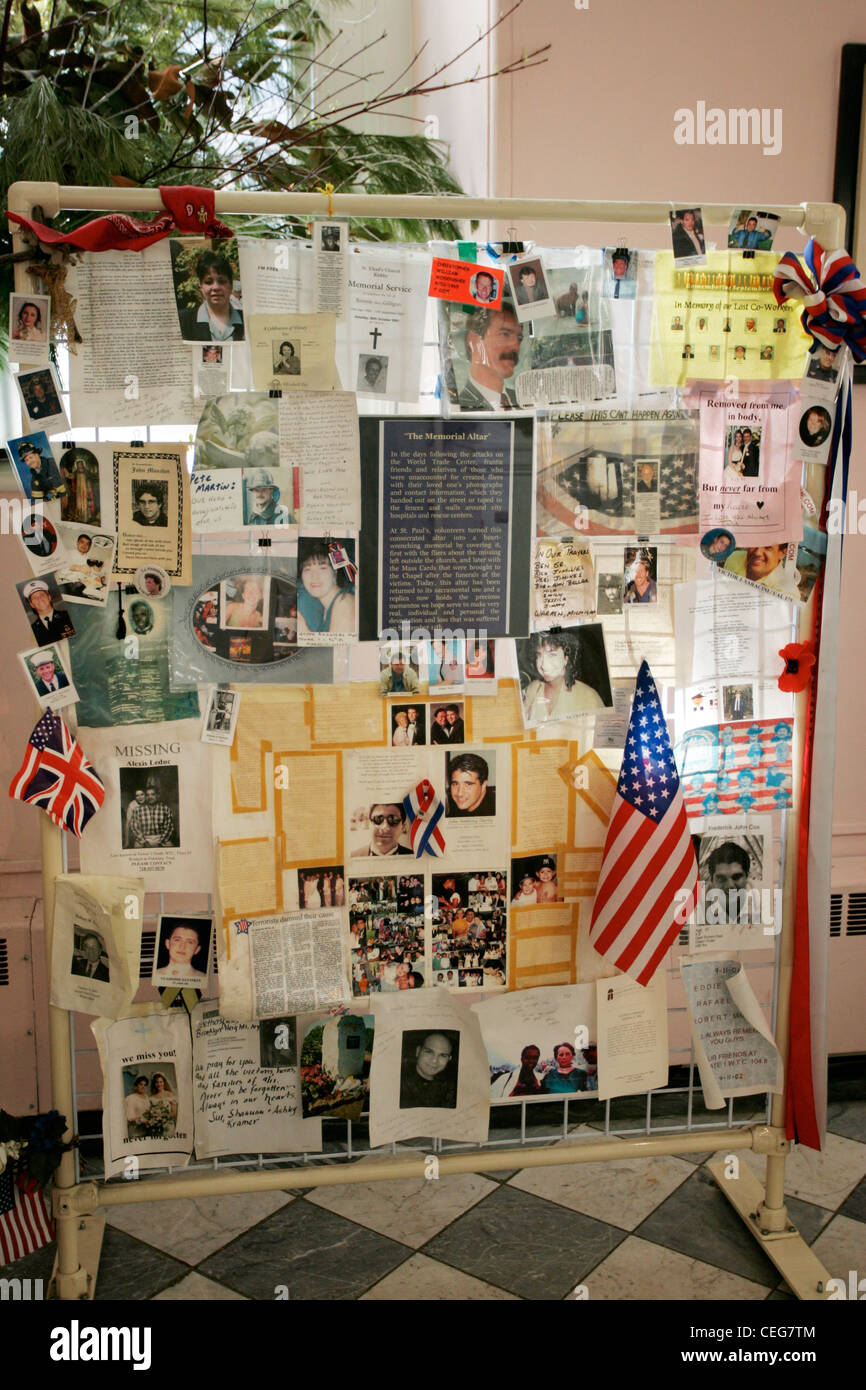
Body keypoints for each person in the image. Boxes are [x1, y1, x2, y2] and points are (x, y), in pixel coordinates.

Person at [522, 631, 604, 723]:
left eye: (552, 655)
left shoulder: (588, 697)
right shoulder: (534, 689)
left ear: (566, 658)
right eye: (539, 655)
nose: (543, 665)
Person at [459, 304, 523, 410]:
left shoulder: (524, 401)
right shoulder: (461, 408)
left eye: (519, 339)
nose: (516, 347)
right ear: (474, 341)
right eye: (505, 334)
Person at [178, 249, 244, 342]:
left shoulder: (246, 320)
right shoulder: (183, 321)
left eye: (222, 281)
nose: (216, 287)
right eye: (209, 282)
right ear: (201, 287)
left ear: (231, 286)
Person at [296, 539, 355, 635]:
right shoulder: (324, 607)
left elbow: (338, 649)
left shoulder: (344, 603)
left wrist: (304, 631)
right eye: (307, 569)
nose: (314, 576)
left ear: (335, 573)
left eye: (322, 568)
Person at [399, 1032, 458, 1108]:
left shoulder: (451, 1088)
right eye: (429, 1052)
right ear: (418, 1051)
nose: (434, 1060)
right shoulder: (399, 1083)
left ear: (449, 1059)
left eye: (443, 1055)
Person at [705, 841, 756, 923]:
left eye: (736, 877)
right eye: (721, 879)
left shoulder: (765, 906)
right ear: (711, 881)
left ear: (747, 877)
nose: (730, 885)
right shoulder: (696, 911)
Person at [724, 543, 800, 598]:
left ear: (782, 553)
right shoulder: (734, 558)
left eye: (768, 547)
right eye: (754, 542)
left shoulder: (788, 593)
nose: (757, 553)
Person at [447, 753, 496, 817]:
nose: (460, 793)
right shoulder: (449, 806)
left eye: (468, 784)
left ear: (484, 785)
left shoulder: (496, 811)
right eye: (455, 784)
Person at [127, 784, 175, 848]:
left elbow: (169, 827)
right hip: (144, 838)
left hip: (161, 837)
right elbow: (134, 827)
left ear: (157, 795)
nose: (150, 797)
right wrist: (144, 842)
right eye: (147, 795)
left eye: (153, 794)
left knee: (171, 847)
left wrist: (160, 842)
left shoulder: (165, 808)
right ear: (145, 797)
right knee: (136, 848)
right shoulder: (138, 810)